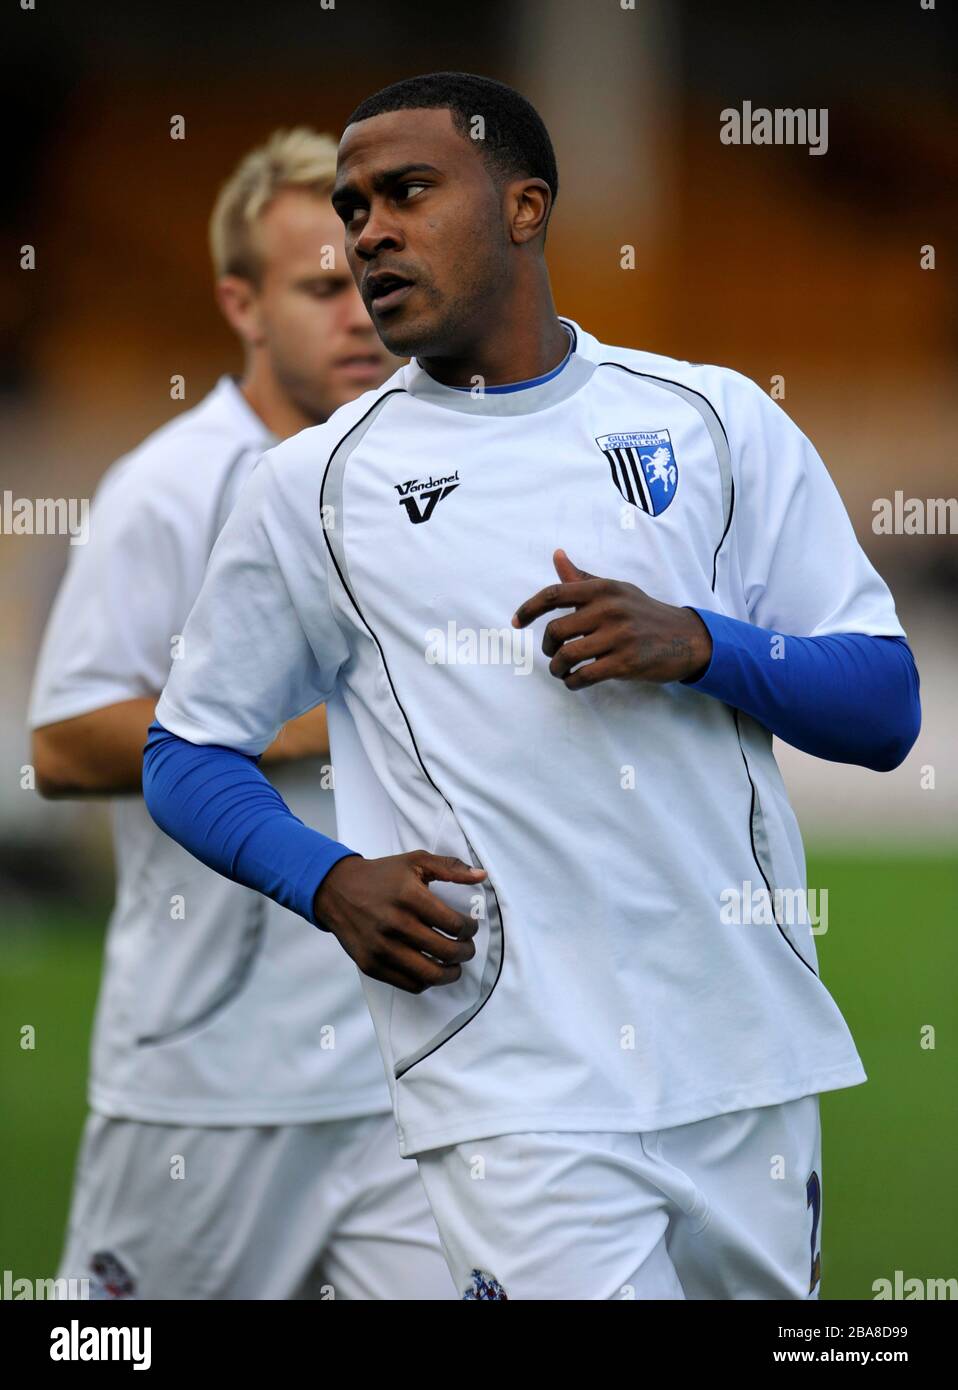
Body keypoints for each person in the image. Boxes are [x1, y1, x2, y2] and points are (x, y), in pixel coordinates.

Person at [142, 75, 921, 1300]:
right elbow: (184, 750)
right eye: (352, 209)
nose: (368, 234)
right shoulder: (316, 489)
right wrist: (328, 880)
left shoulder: (712, 419)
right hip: (509, 1090)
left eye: (406, 192)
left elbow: (885, 708)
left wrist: (706, 645)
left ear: (523, 208)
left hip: (745, 1065)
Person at [28, 127, 454, 1301]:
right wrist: (313, 722)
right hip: (210, 1080)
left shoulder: (423, 474)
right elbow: (61, 742)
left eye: (367, 282)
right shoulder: (169, 485)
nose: (358, 313)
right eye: (320, 288)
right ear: (242, 303)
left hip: (406, 1070)